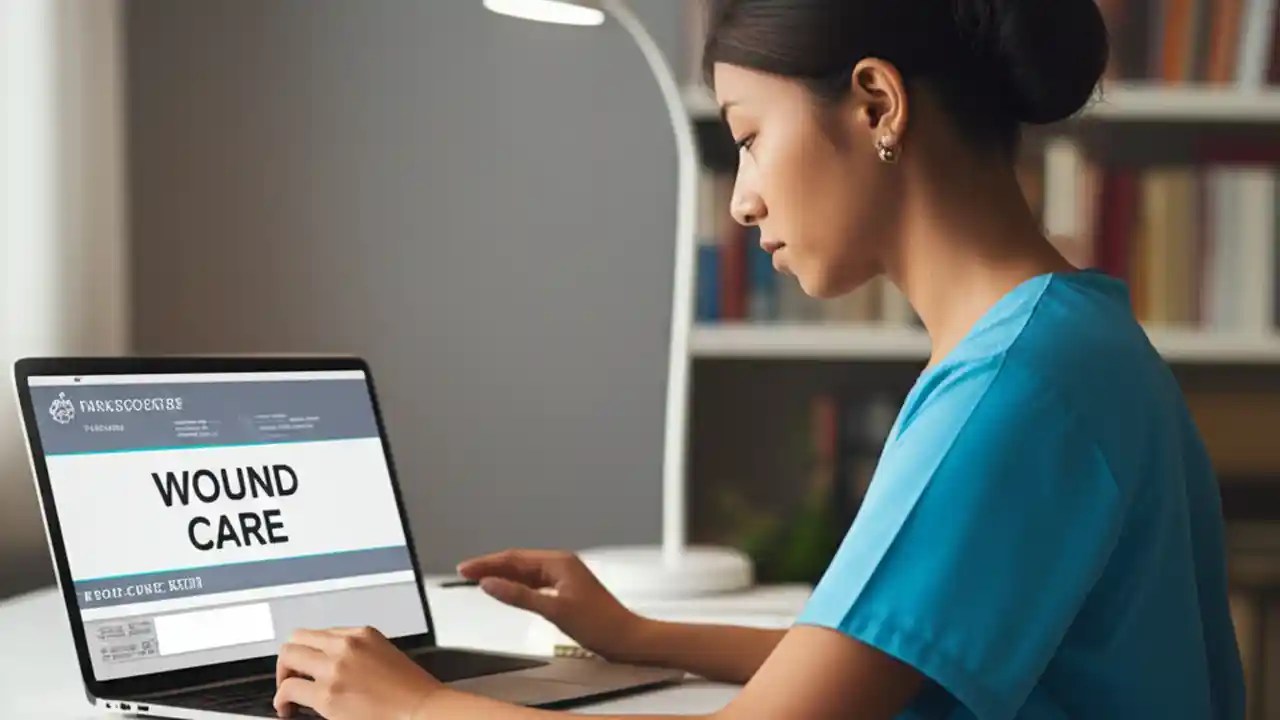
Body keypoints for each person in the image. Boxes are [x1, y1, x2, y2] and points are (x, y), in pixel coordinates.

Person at [272, 0, 1247, 717]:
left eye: (747, 138)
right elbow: (862, 658)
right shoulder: (1062, 340)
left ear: (874, 103)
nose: (739, 202)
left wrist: (408, 706)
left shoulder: (1014, 388)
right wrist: (641, 637)